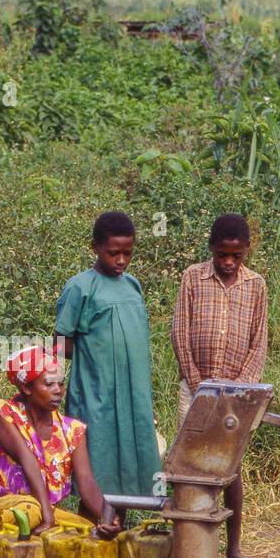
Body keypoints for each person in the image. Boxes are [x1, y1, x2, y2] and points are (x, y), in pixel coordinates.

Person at [171, 213, 268, 558]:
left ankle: (234, 549)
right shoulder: (192, 277)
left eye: (237, 256)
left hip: (237, 394)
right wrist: (200, 387)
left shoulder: (256, 285)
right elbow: (180, 330)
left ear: (246, 252)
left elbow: (259, 342)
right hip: (195, 389)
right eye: (222, 254)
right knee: (192, 465)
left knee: (230, 469)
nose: (229, 262)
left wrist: (238, 391)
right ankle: (192, 548)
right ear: (211, 248)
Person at [54, 211, 163, 510]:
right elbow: (61, 341)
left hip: (133, 394)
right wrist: (97, 355)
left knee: (128, 461)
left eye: (128, 253)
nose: (121, 260)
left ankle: (119, 530)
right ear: (95, 248)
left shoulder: (133, 286)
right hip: (95, 392)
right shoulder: (80, 286)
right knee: (97, 459)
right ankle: (92, 535)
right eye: (113, 253)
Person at [0, 346, 120, 540]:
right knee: (30, 510)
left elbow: (87, 482)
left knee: (85, 530)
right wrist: (48, 517)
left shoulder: (72, 430)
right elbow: (27, 458)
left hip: (44, 512)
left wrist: (108, 517)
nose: (58, 391)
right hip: (1, 508)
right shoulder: (5, 413)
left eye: (61, 384)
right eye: (49, 384)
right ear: (26, 388)